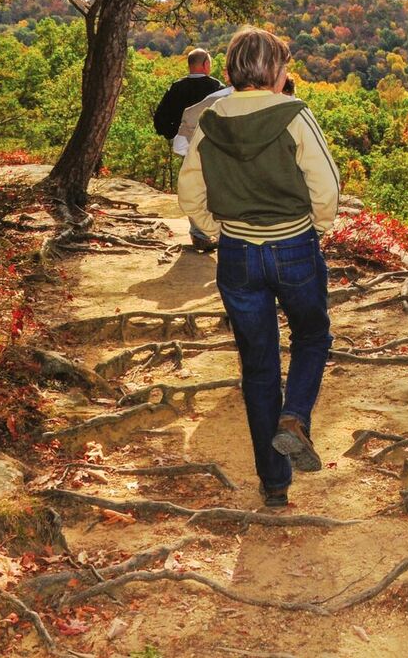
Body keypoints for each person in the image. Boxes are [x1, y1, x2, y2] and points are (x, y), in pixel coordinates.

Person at [178, 29, 338, 507]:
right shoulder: (295, 114)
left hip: (238, 256)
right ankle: (295, 418)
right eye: (285, 67)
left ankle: (274, 484)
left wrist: (215, 228)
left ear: (229, 71)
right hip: (293, 247)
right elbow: (325, 183)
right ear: (274, 73)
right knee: (312, 336)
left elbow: (190, 190)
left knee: (258, 365)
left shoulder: (209, 120)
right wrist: (318, 228)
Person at [155, 49, 226, 247]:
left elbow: (160, 118)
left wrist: (173, 133)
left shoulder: (177, 88)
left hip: (185, 145)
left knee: (193, 187)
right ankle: (212, 232)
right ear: (205, 65)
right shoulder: (217, 88)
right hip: (211, 145)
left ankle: (198, 233)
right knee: (213, 188)